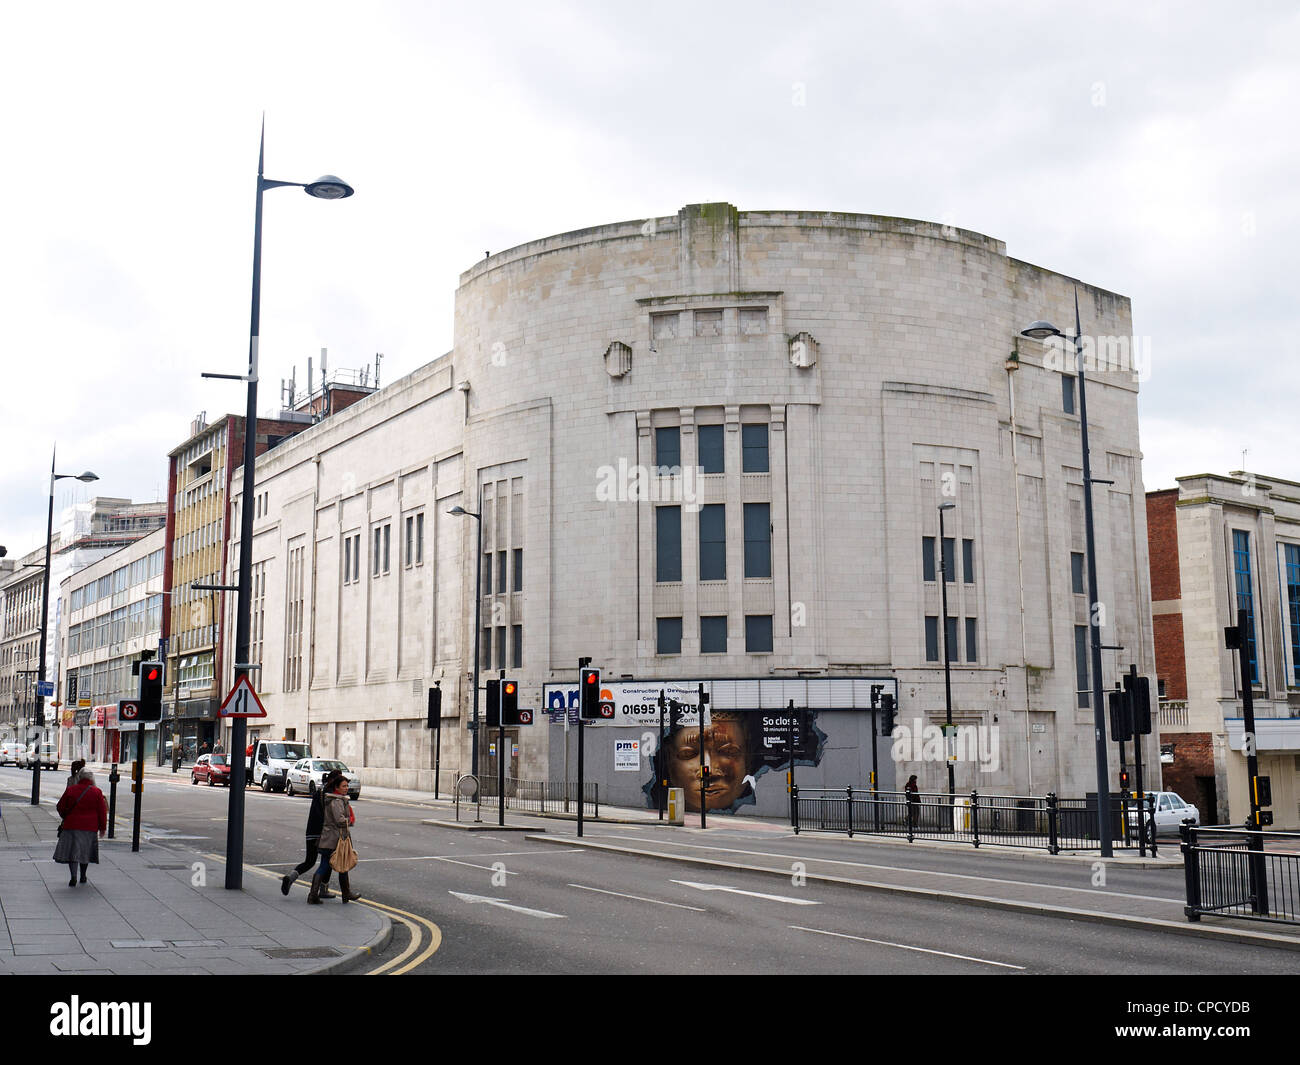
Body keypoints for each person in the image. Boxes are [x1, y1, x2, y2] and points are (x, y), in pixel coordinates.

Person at [309, 770, 361, 904]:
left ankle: (344, 893)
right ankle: (314, 894)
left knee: (341, 864)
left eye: (347, 786)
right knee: (327, 865)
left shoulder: (337, 799)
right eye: (343, 786)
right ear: (337, 788)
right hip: (333, 839)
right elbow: (339, 820)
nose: (346, 788)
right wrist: (349, 821)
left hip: (333, 837)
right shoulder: (336, 801)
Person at [54, 768, 108, 887]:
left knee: (73, 852)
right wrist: (102, 828)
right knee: (85, 852)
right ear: (91, 779)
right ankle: (83, 875)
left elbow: (60, 806)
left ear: (79, 777)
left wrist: (65, 816)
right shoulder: (97, 792)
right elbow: (102, 812)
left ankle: (73, 876)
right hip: (89, 827)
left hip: (71, 826)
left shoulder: (71, 790)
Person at [281, 781, 332, 899]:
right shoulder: (329, 796)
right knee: (329, 860)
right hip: (322, 834)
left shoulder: (319, 792)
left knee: (310, 861)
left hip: (311, 831)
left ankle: (290, 878)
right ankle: (323, 889)